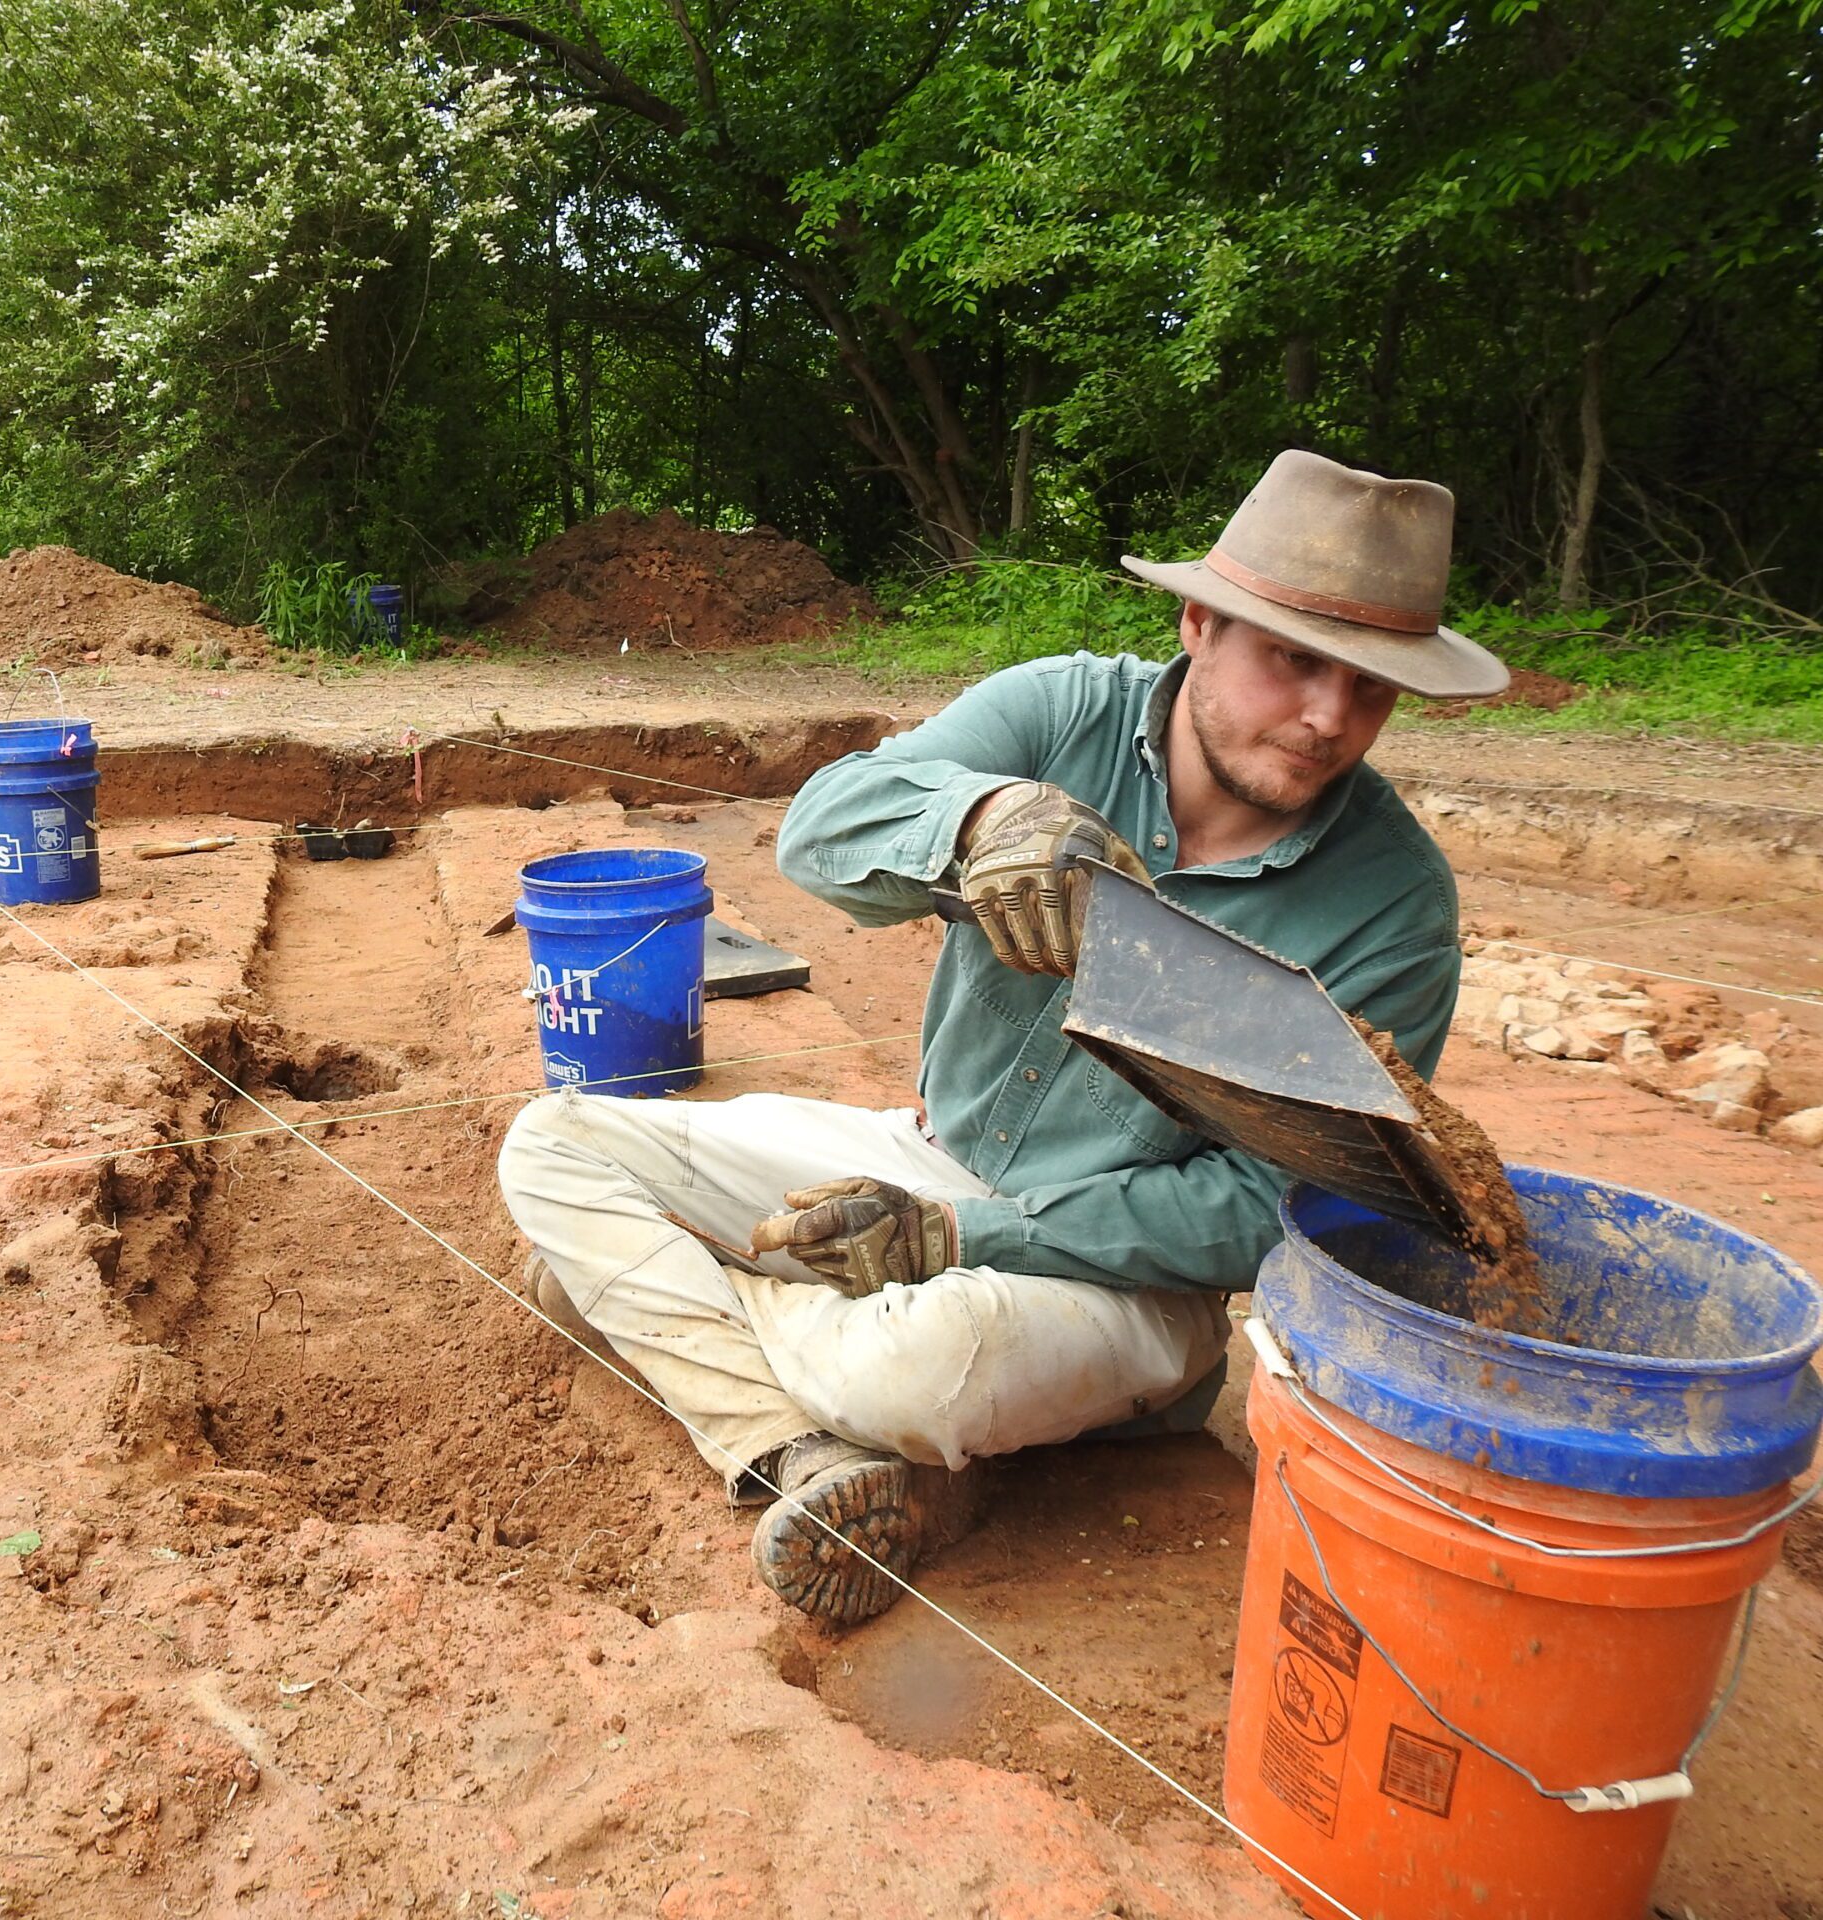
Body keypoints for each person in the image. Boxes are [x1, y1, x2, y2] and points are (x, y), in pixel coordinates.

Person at [495, 448, 1510, 1625]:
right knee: (554, 1143)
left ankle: (686, 1302)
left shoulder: (1392, 905)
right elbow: (817, 832)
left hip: (1122, 1283)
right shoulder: (1061, 711)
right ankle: (791, 1445)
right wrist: (980, 816)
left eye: (1372, 688)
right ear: (1198, 621)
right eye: (1296, 661)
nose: (1331, 717)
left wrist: (958, 1237)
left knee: (911, 1369)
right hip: (923, 1154)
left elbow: (1259, 1211)